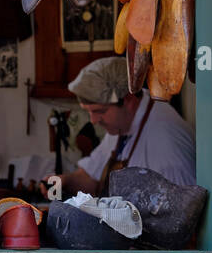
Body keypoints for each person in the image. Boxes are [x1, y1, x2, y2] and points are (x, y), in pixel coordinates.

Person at [48, 57, 197, 196]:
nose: (93, 120)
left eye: (100, 111)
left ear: (128, 100)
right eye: (89, 112)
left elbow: (182, 213)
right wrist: (63, 182)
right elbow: (92, 178)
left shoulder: (166, 142)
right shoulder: (123, 123)